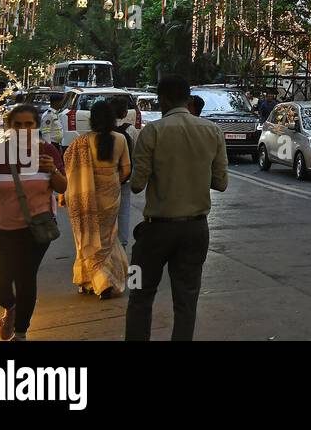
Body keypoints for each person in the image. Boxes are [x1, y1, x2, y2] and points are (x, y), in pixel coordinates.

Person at [125, 74, 228, 341]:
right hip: (196, 231)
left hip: (155, 232)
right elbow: (221, 183)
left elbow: (136, 184)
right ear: (188, 98)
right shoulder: (213, 131)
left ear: (163, 99)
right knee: (187, 300)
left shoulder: (153, 131)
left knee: (137, 293)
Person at [0, 104, 67, 340]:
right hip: (0, 229)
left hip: (35, 230)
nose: (23, 129)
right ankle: (10, 308)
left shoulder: (48, 152)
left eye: (28, 124)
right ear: (9, 127)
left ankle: (21, 332)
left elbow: (63, 188)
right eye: (18, 124)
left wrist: (52, 170)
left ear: (36, 126)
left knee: (25, 278)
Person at [63, 98, 130, 298]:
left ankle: (97, 282)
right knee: (107, 238)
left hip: (86, 196)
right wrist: (112, 181)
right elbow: (126, 170)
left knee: (87, 237)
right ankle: (100, 279)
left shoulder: (81, 142)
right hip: (111, 194)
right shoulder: (120, 139)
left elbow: (67, 165)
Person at [107, 95, 135, 247]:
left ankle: (105, 243)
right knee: (123, 211)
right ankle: (122, 244)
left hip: (105, 178)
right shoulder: (130, 130)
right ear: (124, 113)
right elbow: (136, 154)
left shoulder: (102, 131)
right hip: (125, 179)